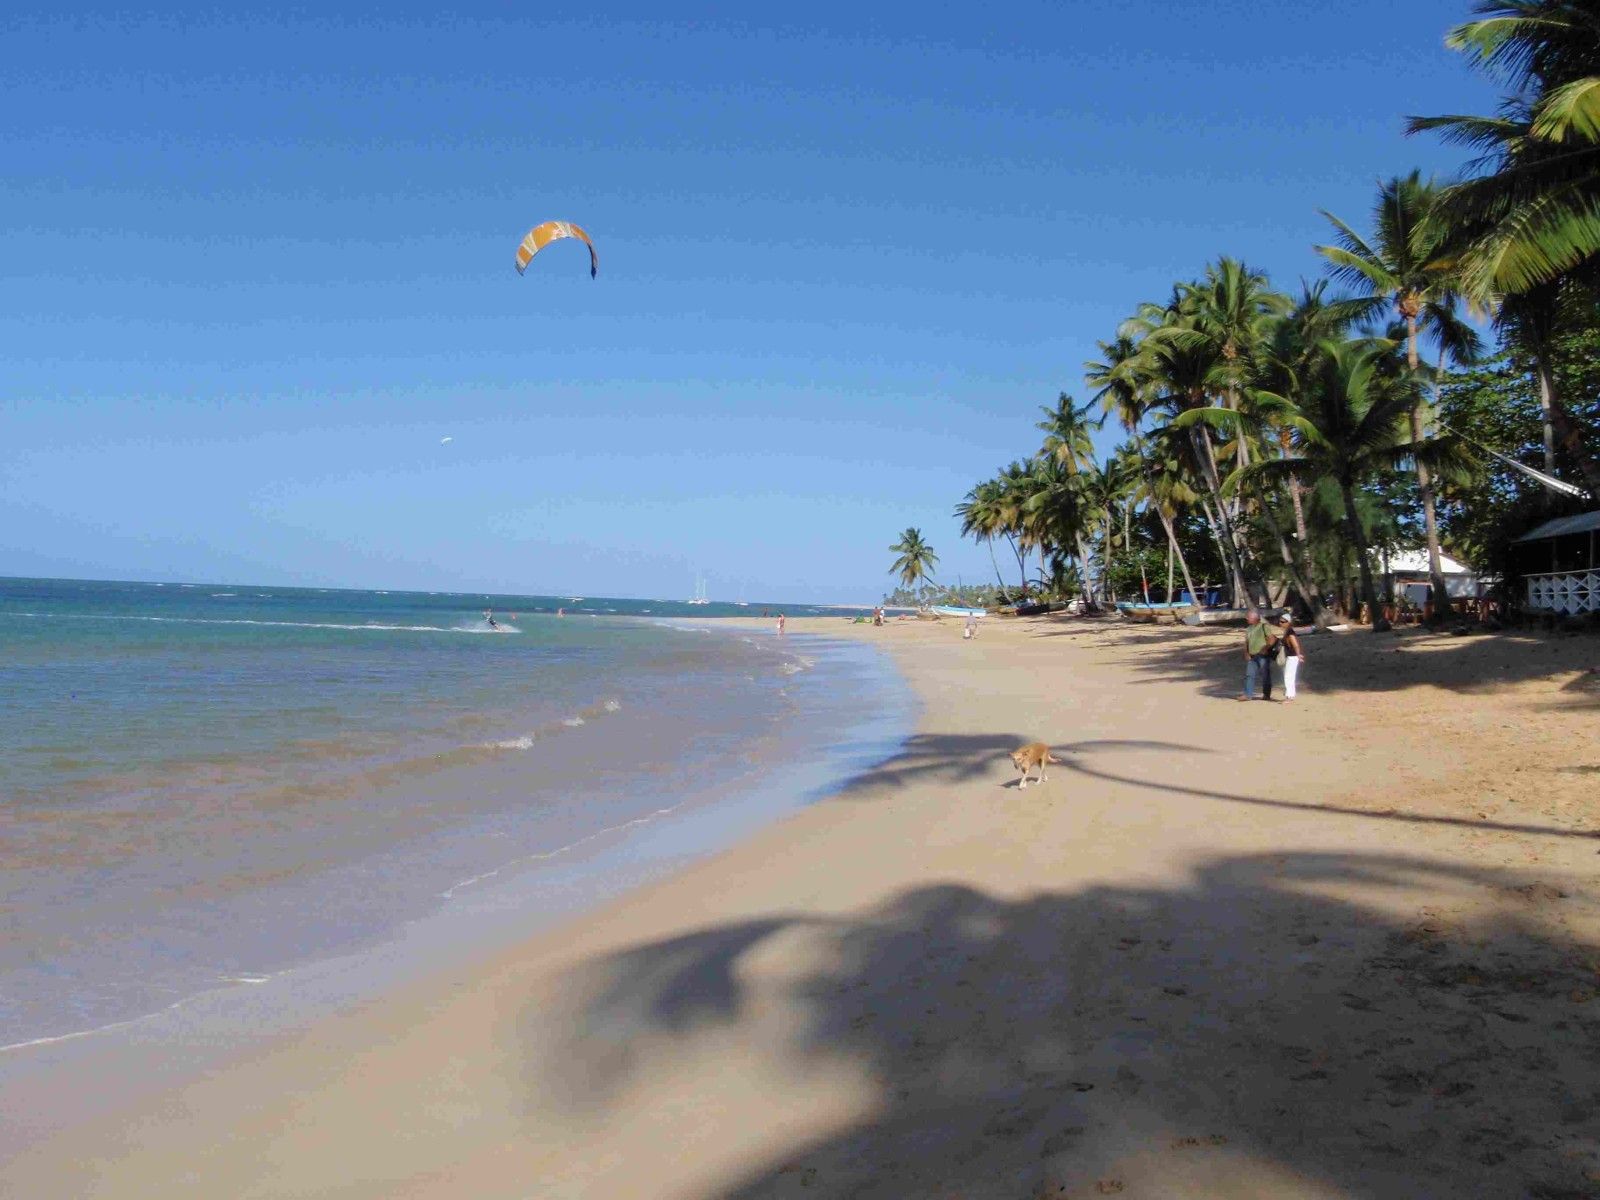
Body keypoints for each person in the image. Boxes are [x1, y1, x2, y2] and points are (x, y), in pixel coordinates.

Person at [1239, 609, 1278, 701]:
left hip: (1263, 656)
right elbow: (1246, 642)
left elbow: (1272, 639)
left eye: (1248, 617)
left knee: (1265, 675)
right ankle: (1248, 695)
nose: (1246, 618)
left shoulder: (1264, 627)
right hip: (1252, 656)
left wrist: (1265, 648)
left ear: (1255, 618)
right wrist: (1246, 653)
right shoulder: (1248, 629)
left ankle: (1266, 694)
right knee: (1249, 675)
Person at [1276, 612, 1304, 700]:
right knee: (1288, 675)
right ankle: (1290, 694)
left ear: (1288, 622)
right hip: (1289, 656)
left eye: (1282, 622)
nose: (1280, 623)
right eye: (1280, 621)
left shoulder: (1290, 633)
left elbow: (1295, 645)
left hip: (1292, 657)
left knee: (1289, 676)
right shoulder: (1287, 631)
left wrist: (1298, 655)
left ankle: (1289, 696)